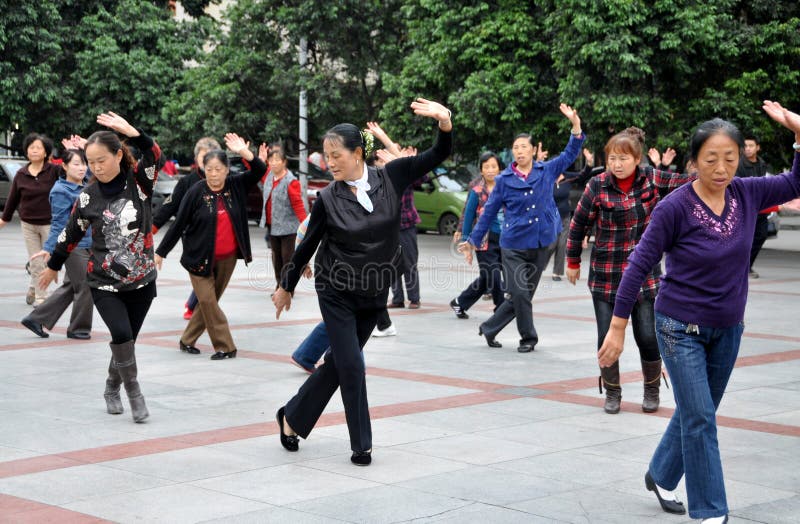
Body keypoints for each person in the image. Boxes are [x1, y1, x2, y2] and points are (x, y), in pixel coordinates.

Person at [598, 102, 800, 523]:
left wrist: (799, 135)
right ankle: (711, 512)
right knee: (702, 419)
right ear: (693, 162)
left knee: (697, 411)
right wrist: (617, 329)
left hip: (728, 329)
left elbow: (797, 180)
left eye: (730, 158)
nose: (722, 167)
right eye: (711, 159)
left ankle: (660, 473)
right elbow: (638, 265)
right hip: (678, 328)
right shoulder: (675, 207)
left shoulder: (748, 193)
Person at [273, 98, 453, 466]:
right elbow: (307, 244)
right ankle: (362, 444)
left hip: (374, 292)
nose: (330, 162)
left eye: (336, 154)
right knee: (352, 365)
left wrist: (444, 122)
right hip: (336, 291)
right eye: (326, 155)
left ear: (358, 153)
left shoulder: (392, 177)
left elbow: (437, 155)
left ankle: (291, 417)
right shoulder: (327, 198)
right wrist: (285, 286)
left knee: (340, 363)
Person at [39, 112, 162, 423]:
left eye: (101, 160)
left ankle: (111, 386)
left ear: (119, 155)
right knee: (120, 333)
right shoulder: (87, 197)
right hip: (104, 282)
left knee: (126, 342)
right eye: (91, 162)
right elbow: (71, 233)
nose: (95, 167)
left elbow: (154, 153)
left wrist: (135, 133)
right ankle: (134, 392)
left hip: (142, 281)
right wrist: (54, 265)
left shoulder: (140, 185)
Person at [566, 129, 690, 414]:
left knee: (647, 335)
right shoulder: (597, 185)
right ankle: (612, 392)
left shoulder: (651, 179)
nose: (617, 164)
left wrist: (719, 174)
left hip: (644, 276)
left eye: (623, 158)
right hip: (605, 276)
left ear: (637, 159)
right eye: (612, 158)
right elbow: (579, 224)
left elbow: (689, 182)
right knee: (605, 336)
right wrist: (572, 261)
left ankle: (652, 388)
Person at [458, 103, 584, 353]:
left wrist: (576, 126)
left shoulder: (546, 170)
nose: (519, 151)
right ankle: (529, 337)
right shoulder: (504, 180)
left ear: (532, 150)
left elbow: (570, 155)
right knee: (520, 293)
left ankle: (490, 327)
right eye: (515, 148)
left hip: (542, 243)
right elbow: (488, 213)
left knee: (521, 295)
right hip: (513, 245)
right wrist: (472, 240)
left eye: (524, 147)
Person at [155, 134, 266, 360]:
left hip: (227, 258)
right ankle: (225, 346)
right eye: (209, 169)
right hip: (198, 257)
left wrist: (245, 153)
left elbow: (259, 170)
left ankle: (187, 340)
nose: (213, 174)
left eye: (218, 169)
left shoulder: (236, 185)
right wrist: (161, 251)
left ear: (227, 170)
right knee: (207, 301)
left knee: (209, 304)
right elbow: (179, 223)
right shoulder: (195, 191)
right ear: (202, 169)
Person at [22, 148, 94, 339]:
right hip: (74, 246)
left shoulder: (87, 184)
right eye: (76, 164)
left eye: (84, 164)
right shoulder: (61, 191)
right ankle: (78, 329)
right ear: (64, 166)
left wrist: (87, 145)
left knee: (71, 286)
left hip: (90, 242)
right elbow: (58, 223)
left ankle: (36, 319)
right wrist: (48, 248)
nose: (81, 168)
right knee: (85, 285)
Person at [153, 137, 222, 321]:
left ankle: (196, 304)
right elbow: (170, 206)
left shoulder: (225, 180)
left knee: (214, 273)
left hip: (218, 236)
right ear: (196, 159)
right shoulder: (188, 182)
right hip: (193, 237)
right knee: (202, 272)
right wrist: (153, 227)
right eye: (203, 156)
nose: (206, 160)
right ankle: (194, 305)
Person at [0, 133, 60, 306]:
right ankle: (42, 298)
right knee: (36, 261)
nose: (34, 150)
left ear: (46, 152)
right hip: (28, 224)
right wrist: (4, 219)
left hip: (50, 223)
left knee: (46, 260)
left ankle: (34, 286)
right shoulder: (21, 174)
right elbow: (12, 199)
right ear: (26, 151)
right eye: (31, 147)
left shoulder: (54, 171)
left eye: (38, 148)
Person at [449, 151, 505, 318]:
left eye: (493, 166)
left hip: (505, 239)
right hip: (483, 241)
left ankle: (460, 302)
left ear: (499, 169)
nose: (490, 170)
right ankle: (501, 308)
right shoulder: (477, 190)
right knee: (493, 276)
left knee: (487, 277)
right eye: (486, 167)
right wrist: (466, 241)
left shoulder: (505, 186)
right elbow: (468, 215)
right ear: (481, 170)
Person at [260, 143, 307, 290]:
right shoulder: (268, 176)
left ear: (284, 162)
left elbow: (298, 205)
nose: (273, 163)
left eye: (277, 160)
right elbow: (253, 169)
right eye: (271, 160)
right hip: (273, 226)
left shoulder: (291, 181)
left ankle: (286, 287)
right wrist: (258, 160)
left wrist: (306, 225)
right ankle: (279, 284)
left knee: (288, 259)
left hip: (289, 228)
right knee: (277, 259)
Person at [545, 148, 597, 282]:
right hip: (549, 216)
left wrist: (589, 163)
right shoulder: (546, 177)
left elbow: (583, 175)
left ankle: (557, 273)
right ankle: (540, 264)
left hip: (564, 215)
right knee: (551, 244)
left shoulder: (567, 177)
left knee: (562, 243)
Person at [736, 135, 771, 278]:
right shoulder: (739, 165)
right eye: (745, 146)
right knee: (744, 240)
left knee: (761, 235)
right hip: (745, 208)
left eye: (751, 146)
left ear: (757, 147)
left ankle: (746, 266)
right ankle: (742, 269)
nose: (748, 149)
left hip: (761, 209)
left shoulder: (763, 165)